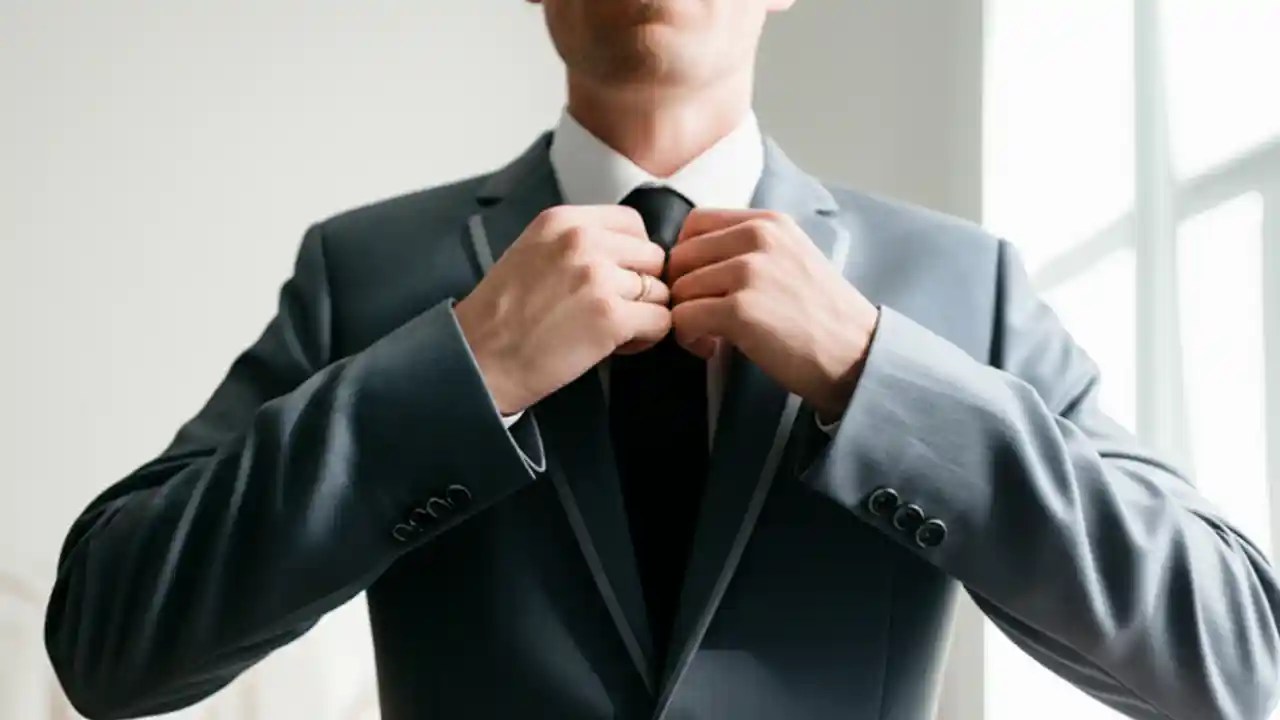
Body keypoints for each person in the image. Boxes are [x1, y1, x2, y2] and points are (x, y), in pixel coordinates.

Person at [44, 1, 1280, 718]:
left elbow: (1234, 656)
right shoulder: (365, 273)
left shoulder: (963, 286)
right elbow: (112, 637)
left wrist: (871, 374)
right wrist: (458, 370)